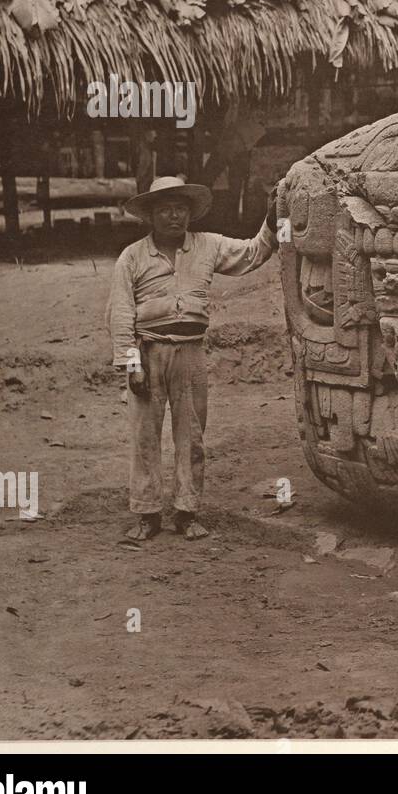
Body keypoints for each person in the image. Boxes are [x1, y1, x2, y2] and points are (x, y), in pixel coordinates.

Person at [107, 176, 278, 542]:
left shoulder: (208, 245)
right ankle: (147, 514)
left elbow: (253, 253)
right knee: (144, 437)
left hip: (191, 354)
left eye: (181, 209)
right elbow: (120, 312)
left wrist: (273, 218)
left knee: (192, 436)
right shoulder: (132, 256)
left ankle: (187, 512)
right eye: (166, 210)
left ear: (190, 213)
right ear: (151, 215)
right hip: (148, 353)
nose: (175, 216)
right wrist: (131, 364)